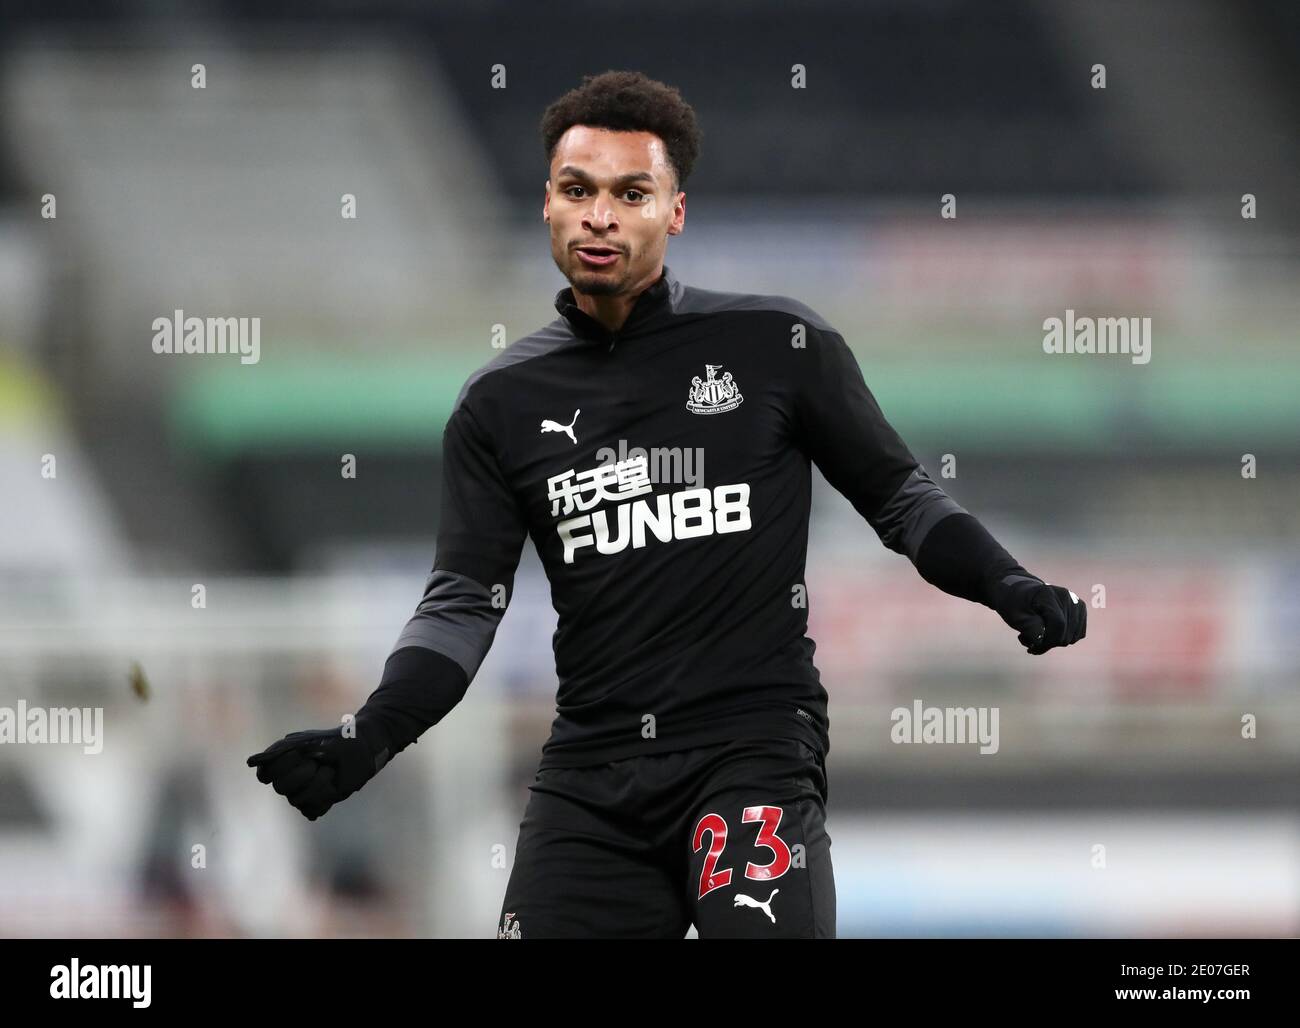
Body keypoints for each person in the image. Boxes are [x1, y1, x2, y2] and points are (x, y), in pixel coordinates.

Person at [248, 70, 1086, 939]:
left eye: (630, 193)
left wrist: (1008, 584)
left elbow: (903, 501)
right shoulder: (497, 403)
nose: (600, 216)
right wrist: (371, 735)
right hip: (590, 773)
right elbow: (462, 604)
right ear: (547, 204)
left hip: (748, 751)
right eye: (578, 190)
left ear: (674, 212)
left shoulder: (777, 345)